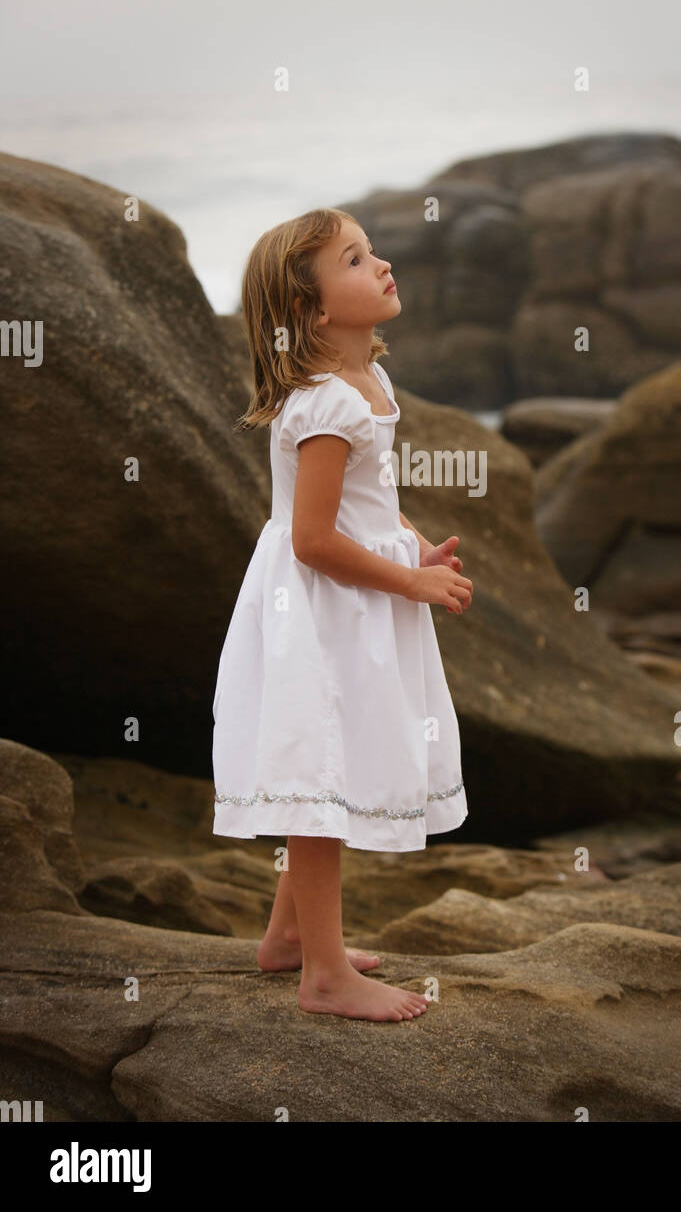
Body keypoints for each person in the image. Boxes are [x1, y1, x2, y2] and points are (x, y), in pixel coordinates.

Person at [211, 208, 472, 1022]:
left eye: (369, 249)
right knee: (319, 781)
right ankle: (323, 975)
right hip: (320, 608)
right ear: (315, 312)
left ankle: (287, 938)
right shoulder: (326, 405)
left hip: (353, 599)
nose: (381, 262)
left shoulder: (371, 385)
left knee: (332, 763)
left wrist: (412, 548)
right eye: (355, 259)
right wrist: (408, 587)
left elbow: (367, 508)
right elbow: (315, 538)